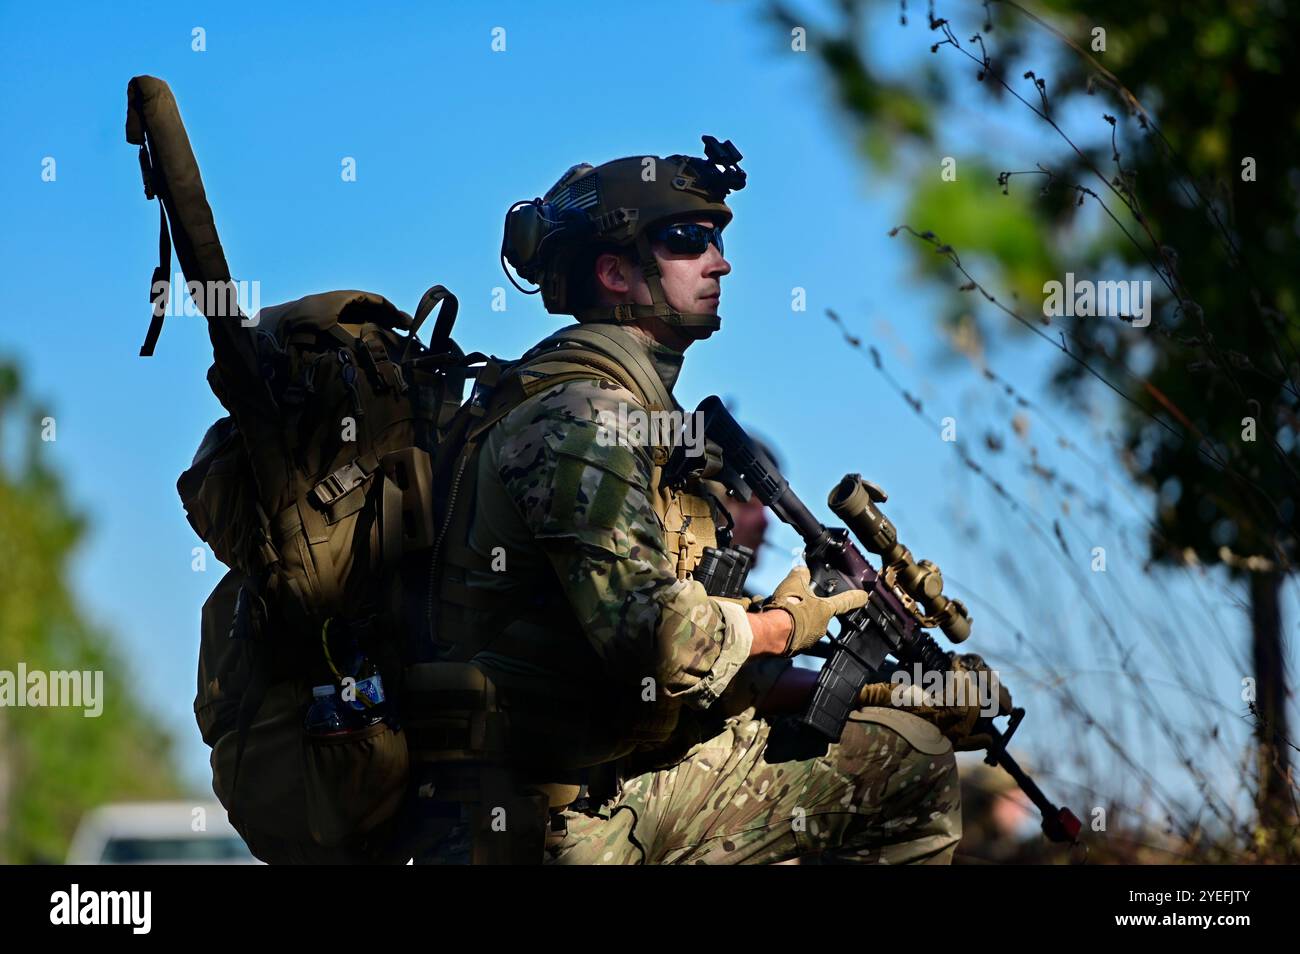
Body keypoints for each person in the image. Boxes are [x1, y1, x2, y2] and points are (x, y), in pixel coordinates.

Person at [420, 139, 973, 864]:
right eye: (686, 240)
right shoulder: (586, 418)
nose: (720, 261)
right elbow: (663, 642)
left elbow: (665, 671)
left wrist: (883, 691)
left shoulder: (620, 413)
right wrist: (789, 622)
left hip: (577, 786)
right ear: (615, 272)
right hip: (549, 825)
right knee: (909, 762)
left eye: (716, 239)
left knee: (894, 730)